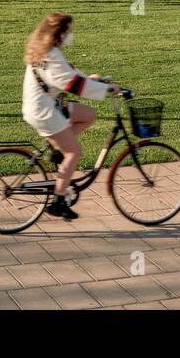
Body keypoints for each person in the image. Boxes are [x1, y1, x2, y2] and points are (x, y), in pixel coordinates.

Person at [21, 13, 119, 220]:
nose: (70, 35)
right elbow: (72, 85)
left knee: (89, 115)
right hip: (45, 111)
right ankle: (58, 202)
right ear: (60, 33)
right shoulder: (52, 55)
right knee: (74, 153)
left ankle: (57, 152)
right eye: (68, 31)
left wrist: (94, 79)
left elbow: (68, 75)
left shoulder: (47, 51)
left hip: (49, 105)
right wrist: (108, 90)